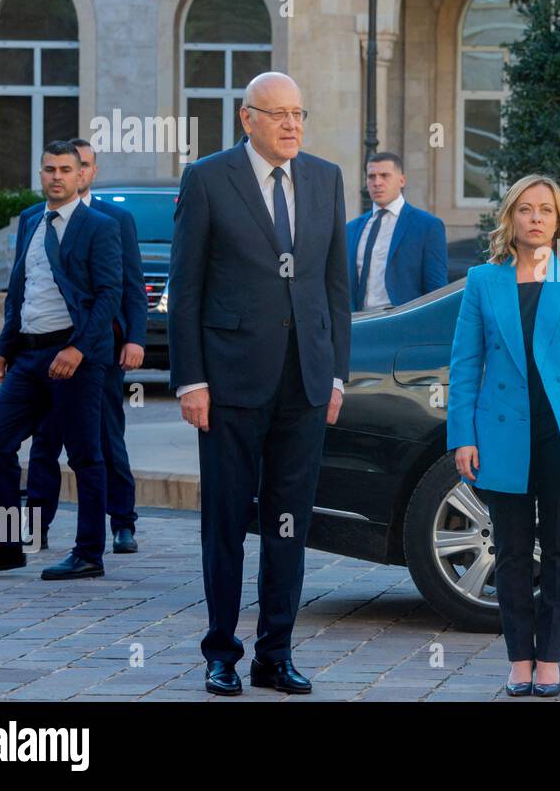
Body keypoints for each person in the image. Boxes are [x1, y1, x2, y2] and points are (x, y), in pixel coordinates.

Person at [169, 71, 351, 697]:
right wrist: (189, 380)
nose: (292, 125)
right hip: (228, 385)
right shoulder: (208, 179)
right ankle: (221, 652)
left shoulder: (326, 178)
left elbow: (335, 290)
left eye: (299, 113)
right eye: (278, 114)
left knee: (287, 526)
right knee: (225, 523)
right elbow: (185, 287)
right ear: (247, 119)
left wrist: (336, 378)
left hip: (303, 384)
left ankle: (276, 653)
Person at [447, 174, 560, 697]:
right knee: (512, 553)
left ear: (559, 219)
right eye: (525, 209)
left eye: (545, 209)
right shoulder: (483, 280)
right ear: (511, 219)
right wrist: (463, 436)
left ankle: (551, 659)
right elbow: (465, 363)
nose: (536, 218)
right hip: (502, 435)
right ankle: (520, 657)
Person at [0, 140, 121, 579]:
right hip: (29, 354)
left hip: (77, 354)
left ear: (81, 174)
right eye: (49, 169)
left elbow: (109, 295)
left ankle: (89, 554)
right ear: (40, 172)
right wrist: (4, 346)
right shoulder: (30, 219)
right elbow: (20, 289)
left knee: (86, 455)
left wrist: (78, 348)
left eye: (66, 169)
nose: (57, 177)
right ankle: (9, 545)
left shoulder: (99, 226)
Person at [24, 137, 147, 554]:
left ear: (89, 171)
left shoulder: (114, 219)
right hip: (48, 350)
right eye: (58, 168)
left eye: (85, 165)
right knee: (45, 438)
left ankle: (122, 522)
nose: (76, 172)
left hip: (100, 350)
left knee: (107, 437)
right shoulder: (37, 218)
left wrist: (134, 338)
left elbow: (129, 285)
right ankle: (36, 524)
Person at [346, 152, 448, 311]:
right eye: (371, 176)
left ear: (402, 180)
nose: (377, 182)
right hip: (358, 324)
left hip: (403, 326)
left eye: (384, 175)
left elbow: (436, 291)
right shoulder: (352, 229)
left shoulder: (427, 226)